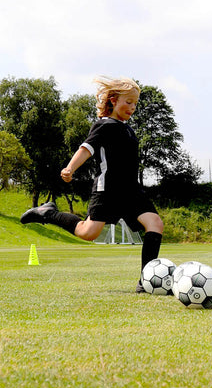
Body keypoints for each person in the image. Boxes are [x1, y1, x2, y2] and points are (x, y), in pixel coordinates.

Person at [20, 76, 164, 292]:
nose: (132, 107)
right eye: (128, 102)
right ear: (113, 100)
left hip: (132, 191)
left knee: (155, 224)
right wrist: (70, 168)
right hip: (108, 190)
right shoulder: (104, 125)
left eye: (135, 103)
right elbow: (86, 148)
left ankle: (146, 281)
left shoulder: (128, 130)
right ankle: (47, 213)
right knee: (89, 233)